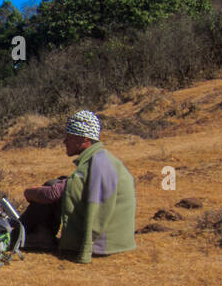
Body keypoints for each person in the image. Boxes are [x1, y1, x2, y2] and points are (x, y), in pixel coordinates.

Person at [20, 109, 135, 261]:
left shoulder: (98, 163)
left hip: (105, 242)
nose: (64, 141)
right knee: (56, 183)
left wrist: (29, 192)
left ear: (84, 140)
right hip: (116, 239)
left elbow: (53, 194)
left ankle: (20, 232)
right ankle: (35, 234)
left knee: (52, 187)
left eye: (69, 137)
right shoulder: (100, 158)